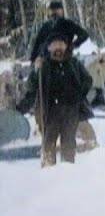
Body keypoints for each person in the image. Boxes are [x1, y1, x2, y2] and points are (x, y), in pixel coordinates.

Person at [17, 31, 93, 167]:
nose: (58, 47)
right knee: (48, 144)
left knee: (69, 145)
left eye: (61, 44)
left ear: (65, 46)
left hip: (70, 112)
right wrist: (35, 71)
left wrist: (78, 96)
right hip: (49, 112)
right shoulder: (43, 65)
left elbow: (88, 80)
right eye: (54, 44)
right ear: (49, 47)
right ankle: (48, 175)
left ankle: (68, 173)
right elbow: (31, 86)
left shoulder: (74, 63)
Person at [28, 0, 90, 67]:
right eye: (52, 10)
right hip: (47, 60)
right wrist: (33, 59)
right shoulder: (46, 26)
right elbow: (37, 43)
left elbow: (84, 34)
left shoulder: (68, 24)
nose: (54, 12)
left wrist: (72, 45)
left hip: (65, 59)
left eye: (57, 10)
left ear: (61, 11)